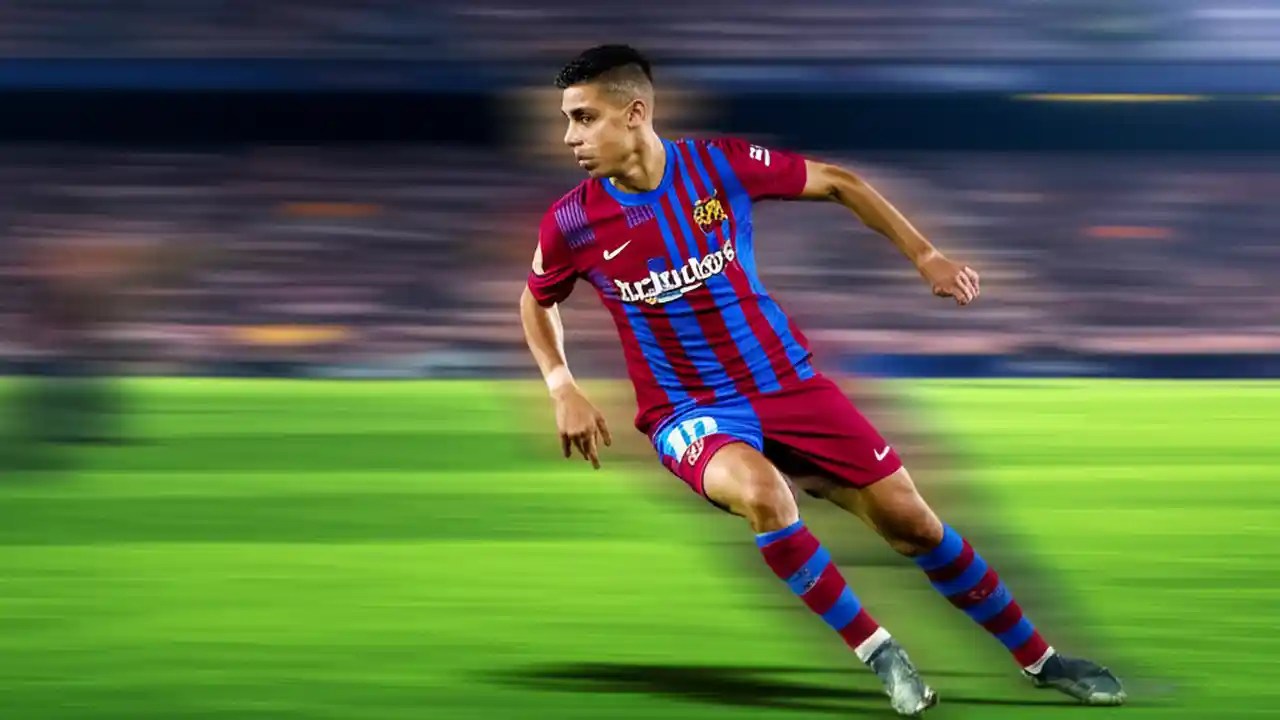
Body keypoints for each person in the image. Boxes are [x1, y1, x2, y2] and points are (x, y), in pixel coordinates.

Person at [519, 44, 1124, 716]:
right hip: (688, 410)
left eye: (583, 117)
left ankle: (1041, 660)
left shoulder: (717, 167)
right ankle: (883, 654)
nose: (569, 137)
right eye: (568, 121)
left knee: (913, 527)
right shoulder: (571, 221)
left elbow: (838, 181)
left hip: (787, 386)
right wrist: (560, 385)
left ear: (634, 113)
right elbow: (536, 298)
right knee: (764, 495)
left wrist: (925, 254)